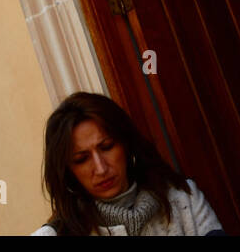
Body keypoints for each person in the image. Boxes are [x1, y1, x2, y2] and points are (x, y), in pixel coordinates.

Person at [32, 91, 224, 236]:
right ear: (67, 170)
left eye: (107, 147)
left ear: (126, 144)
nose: (100, 168)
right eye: (81, 159)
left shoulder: (184, 199)